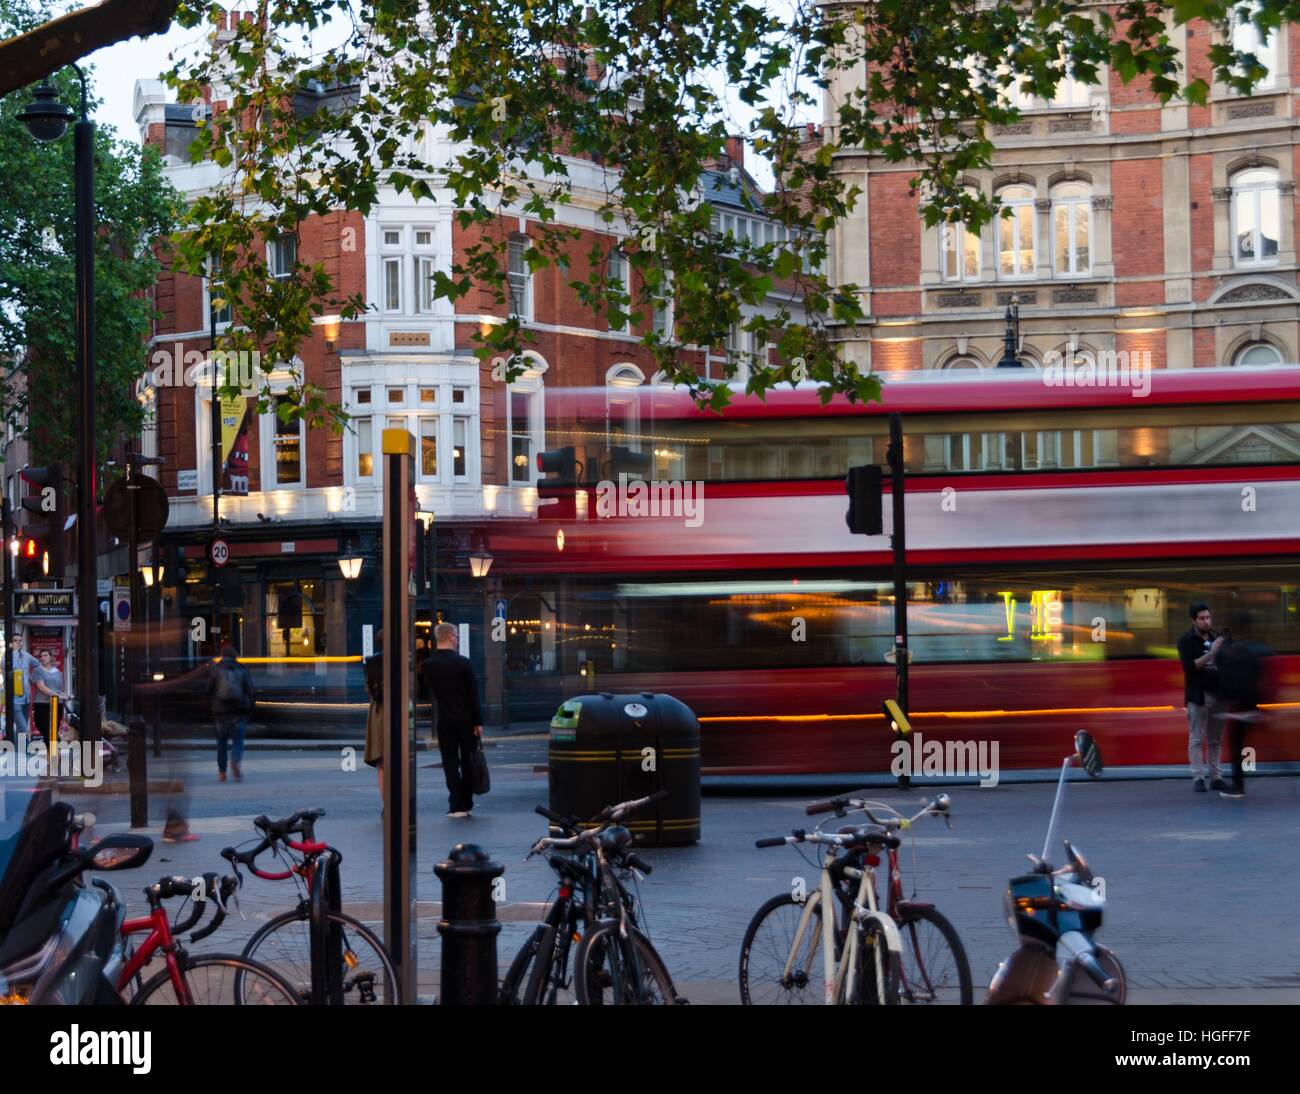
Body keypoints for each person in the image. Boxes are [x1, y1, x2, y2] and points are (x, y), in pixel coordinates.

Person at [420, 622, 483, 818]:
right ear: (449, 637)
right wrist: (478, 723)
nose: (458, 639)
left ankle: (455, 802)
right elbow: (473, 695)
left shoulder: (428, 665)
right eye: (456, 635)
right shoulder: (463, 663)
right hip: (466, 719)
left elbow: (425, 690)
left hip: (444, 720)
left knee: (449, 763)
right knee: (467, 761)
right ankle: (466, 802)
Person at [1215, 611, 1271, 800]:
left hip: (1239, 709)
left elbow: (1226, 677)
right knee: (1275, 745)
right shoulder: (1256, 649)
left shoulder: (1232, 651)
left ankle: (1238, 785)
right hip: (1252, 706)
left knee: (1236, 746)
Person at [1177, 601, 1225, 793]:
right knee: (1197, 738)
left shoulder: (1217, 636)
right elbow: (1189, 666)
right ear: (1193, 620)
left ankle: (1216, 777)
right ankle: (1198, 777)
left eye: (1208, 617)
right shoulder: (1186, 641)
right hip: (1198, 696)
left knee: (1216, 739)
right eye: (1202, 618)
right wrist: (1212, 653)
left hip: (1218, 694)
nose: (1207, 621)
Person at [208, 645, 254, 782]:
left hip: (221, 712)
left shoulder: (216, 669)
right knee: (238, 741)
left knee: (221, 743)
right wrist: (250, 706)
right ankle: (235, 761)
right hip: (239, 711)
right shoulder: (242, 669)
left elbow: (209, 689)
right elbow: (250, 690)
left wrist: (213, 704)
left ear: (222, 655)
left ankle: (222, 773)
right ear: (235, 655)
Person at [363, 630, 384, 797]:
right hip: (397, 711)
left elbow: (368, 689)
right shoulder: (403, 660)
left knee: (382, 761)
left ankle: (387, 803)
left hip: (378, 711)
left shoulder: (371, 661)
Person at [28, 648, 64, 743]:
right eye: (41, 656)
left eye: (45, 655)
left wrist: (66, 695)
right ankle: (53, 750)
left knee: (53, 731)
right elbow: (42, 687)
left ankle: (53, 754)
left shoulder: (58, 673)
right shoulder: (38, 670)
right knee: (45, 728)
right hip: (42, 704)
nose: (42, 657)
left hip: (57, 704)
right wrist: (58, 695)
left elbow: (59, 690)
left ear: (51, 658)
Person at [7, 634, 39, 740]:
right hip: (14, 698)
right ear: (11, 643)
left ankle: (21, 752)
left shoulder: (26, 655)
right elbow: (3, 666)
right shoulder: (8, 655)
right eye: (15, 640)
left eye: (20, 640)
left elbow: (37, 664)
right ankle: (23, 750)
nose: (18, 642)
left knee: (21, 729)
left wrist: (32, 678)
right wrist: (14, 652)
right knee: (23, 728)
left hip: (26, 697)